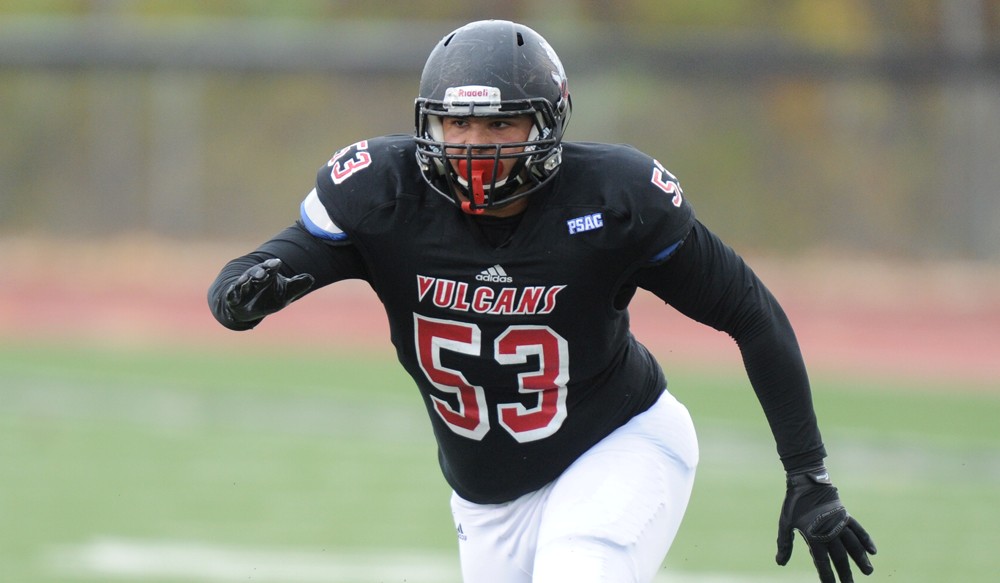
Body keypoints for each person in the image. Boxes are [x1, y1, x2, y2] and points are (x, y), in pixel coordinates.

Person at [208, 19, 876, 583]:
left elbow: (749, 312)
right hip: (485, 498)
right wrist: (245, 296)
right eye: (453, 123)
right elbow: (253, 272)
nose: (470, 145)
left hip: (619, 443)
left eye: (499, 123)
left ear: (547, 124)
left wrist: (808, 473)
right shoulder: (383, 194)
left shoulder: (614, 200)